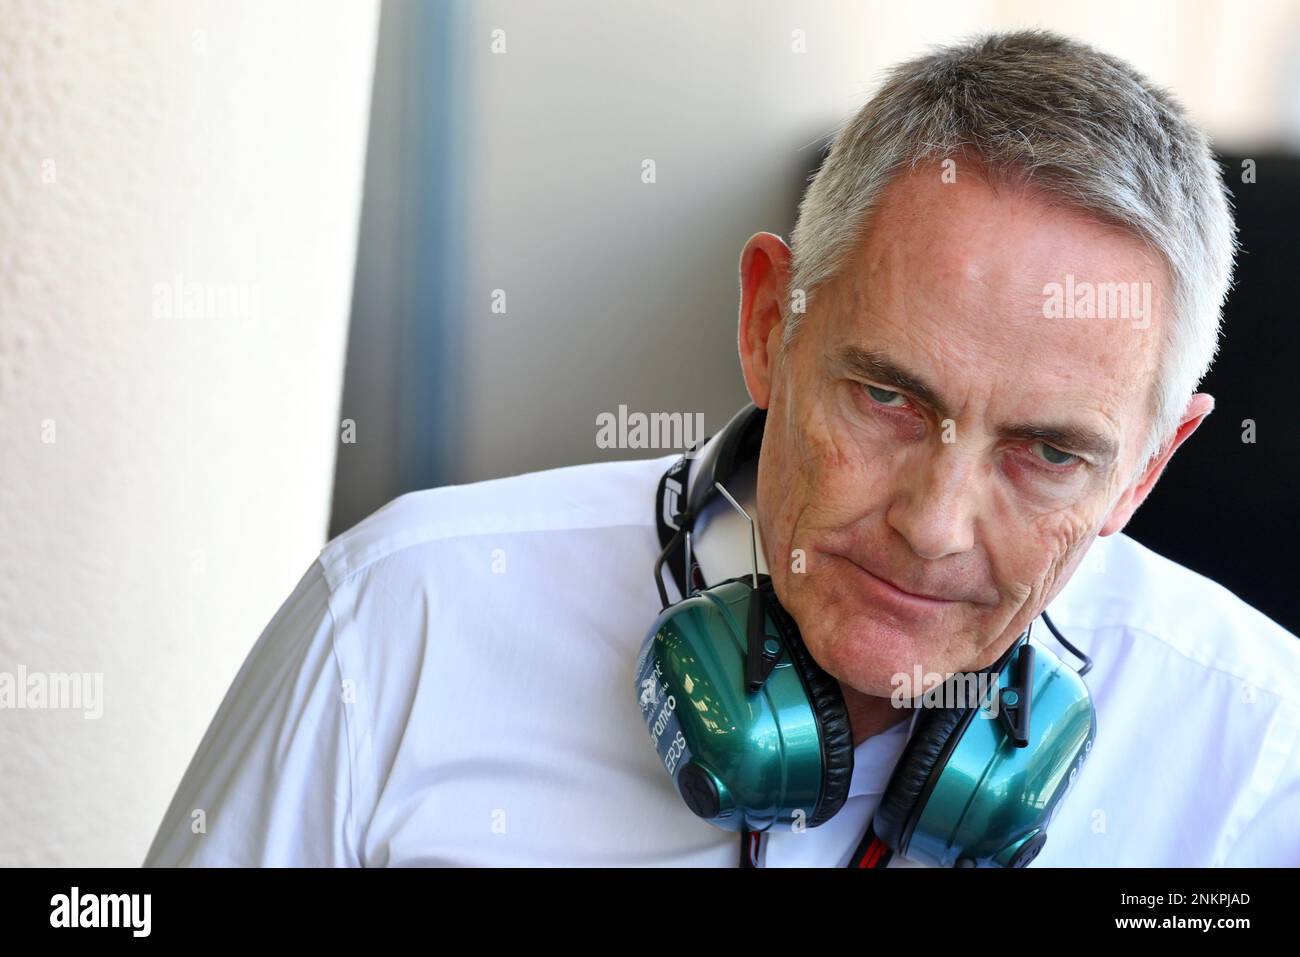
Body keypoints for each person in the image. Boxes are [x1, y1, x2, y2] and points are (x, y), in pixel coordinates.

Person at [144, 29, 1299, 867]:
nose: (934, 527)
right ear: (765, 324)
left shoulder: (1256, 754)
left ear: (1145, 471)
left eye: (1047, 455)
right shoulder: (399, 620)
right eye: (888, 397)